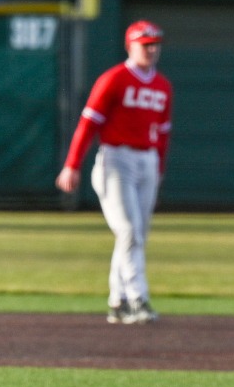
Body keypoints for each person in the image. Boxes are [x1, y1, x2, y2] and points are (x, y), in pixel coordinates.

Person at [55, 19, 174, 325]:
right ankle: (137, 299)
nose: (151, 49)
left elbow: (162, 133)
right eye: (145, 44)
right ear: (130, 45)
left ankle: (117, 301)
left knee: (136, 234)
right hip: (117, 159)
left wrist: (159, 170)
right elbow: (88, 124)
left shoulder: (162, 86)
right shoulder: (114, 79)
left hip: (147, 160)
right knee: (128, 231)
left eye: (155, 44)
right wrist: (72, 164)